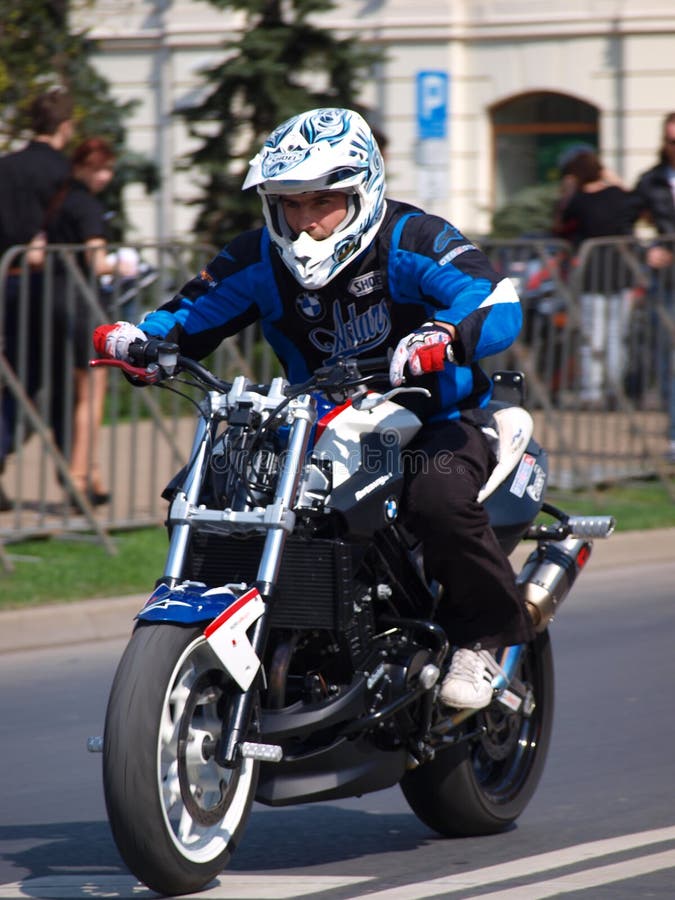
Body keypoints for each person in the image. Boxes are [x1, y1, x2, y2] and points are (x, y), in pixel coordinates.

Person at [94, 107, 533, 709]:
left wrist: (445, 335)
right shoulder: (259, 260)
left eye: (321, 201)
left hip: (440, 419)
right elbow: (191, 311)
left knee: (437, 498)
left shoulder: (411, 239)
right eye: (289, 204)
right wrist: (144, 342)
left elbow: (492, 294)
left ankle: (482, 640)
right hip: (318, 424)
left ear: (362, 193)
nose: (305, 220)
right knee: (227, 491)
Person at [43, 137, 138, 505]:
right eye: (97, 169)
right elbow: (98, 262)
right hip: (82, 303)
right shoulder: (88, 208)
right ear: (81, 167)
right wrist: (124, 265)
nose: (104, 177)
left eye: (108, 169)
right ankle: (79, 476)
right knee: (92, 394)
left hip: (51, 299)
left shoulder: (58, 202)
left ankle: (91, 476)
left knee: (73, 393)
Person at [0, 87, 75, 511]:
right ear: (65, 126)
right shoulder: (62, 172)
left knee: (18, 379)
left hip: (7, 280)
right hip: (51, 286)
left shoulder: (5, 167)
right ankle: (78, 477)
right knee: (60, 383)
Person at [553, 150, 642, 405]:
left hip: (591, 273)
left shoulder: (579, 200)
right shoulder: (618, 195)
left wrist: (569, 191)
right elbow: (633, 205)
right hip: (619, 272)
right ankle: (612, 388)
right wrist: (613, 179)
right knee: (616, 333)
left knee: (593, 334)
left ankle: (592, 390)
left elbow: (560, 223)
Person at [634, 112, 675, 461]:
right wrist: (649, 248)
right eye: (670, 140)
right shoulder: (651, 181)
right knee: (668, 358)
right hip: (667, 283)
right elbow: (623, 219)